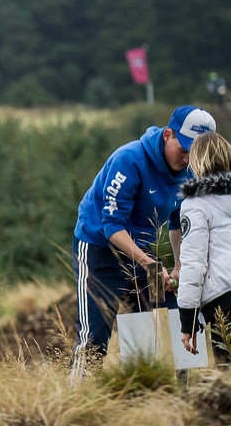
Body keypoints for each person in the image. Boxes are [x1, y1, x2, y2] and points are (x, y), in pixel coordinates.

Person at [71, 105, 217, 376]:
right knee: (94, 338)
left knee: (176, 318)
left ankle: (164, 398)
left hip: (141, 251)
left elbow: (178, 220)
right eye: (183, 150)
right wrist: (150, 264)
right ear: (167, 135)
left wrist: (179, 266)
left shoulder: (191, 171)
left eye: (194, 154)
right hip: (99, 248)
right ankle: (72, 402)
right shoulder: (129, 159)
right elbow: (112, 227)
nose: (187, 160)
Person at [178, 131, 231, 361]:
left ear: (196, 161)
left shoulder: (195, 205)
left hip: (223, 302)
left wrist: (187, 321)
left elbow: (193, 264)